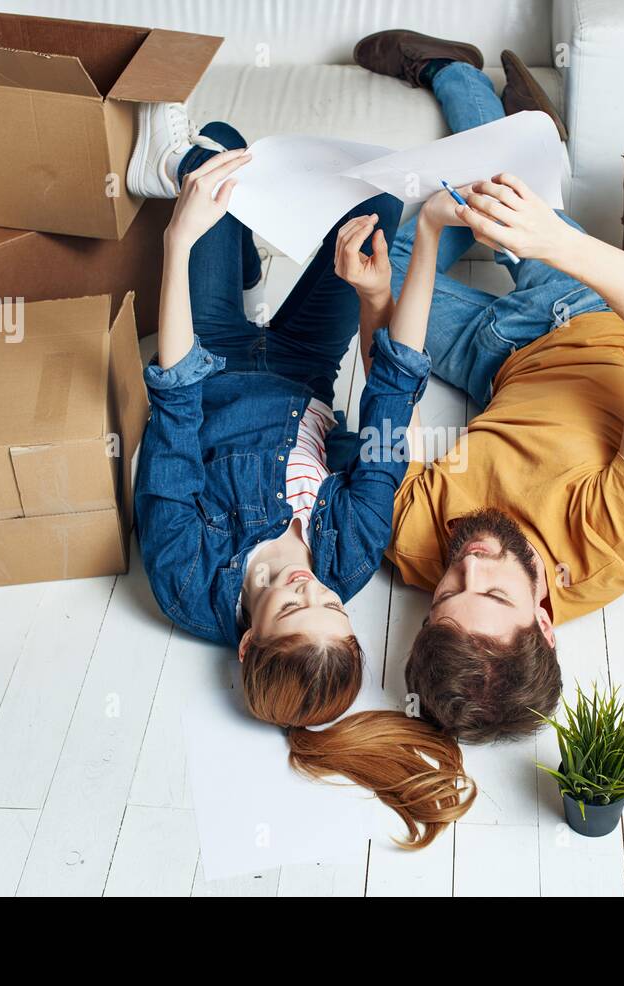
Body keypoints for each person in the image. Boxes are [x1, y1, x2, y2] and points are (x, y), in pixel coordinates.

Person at [125, 105, 476, 845]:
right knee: (380, 205)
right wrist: (412, 259)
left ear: (249, 644)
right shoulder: (346, 561)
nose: (310, 586)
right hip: (300, 365)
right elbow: (388, 409)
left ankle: (218, 244)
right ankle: (246, 259)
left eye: (293, 606)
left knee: (212, 153)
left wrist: (177, 243)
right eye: (332, 606)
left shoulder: (184, 581)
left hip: (212, 362)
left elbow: (176, 413)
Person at [348, 33, 624, 743]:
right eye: (493, 592)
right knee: (498, 181)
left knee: (380, 267)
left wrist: (412, 254)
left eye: (450, 595)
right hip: (586, 316)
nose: (469, 567)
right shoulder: (611, 539)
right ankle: (458, 74)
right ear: (544, 620)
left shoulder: (421, 549)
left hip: (498, 363)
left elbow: (392, 377)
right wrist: (550, 240)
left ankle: (518, 136)